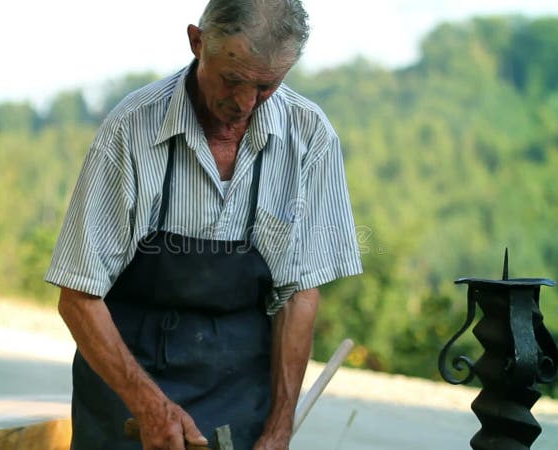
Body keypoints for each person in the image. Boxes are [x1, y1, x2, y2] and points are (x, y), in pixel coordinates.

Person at [45, 1, 362, 449]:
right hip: (125, 389)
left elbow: (298, 297)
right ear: (197, 42)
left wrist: (277, 430)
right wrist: (151, 408)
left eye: (267, 86)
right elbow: (78, 296)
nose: (245, 104)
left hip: (237, 391)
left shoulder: (309, 137)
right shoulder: (132, 129)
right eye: (232, 79)